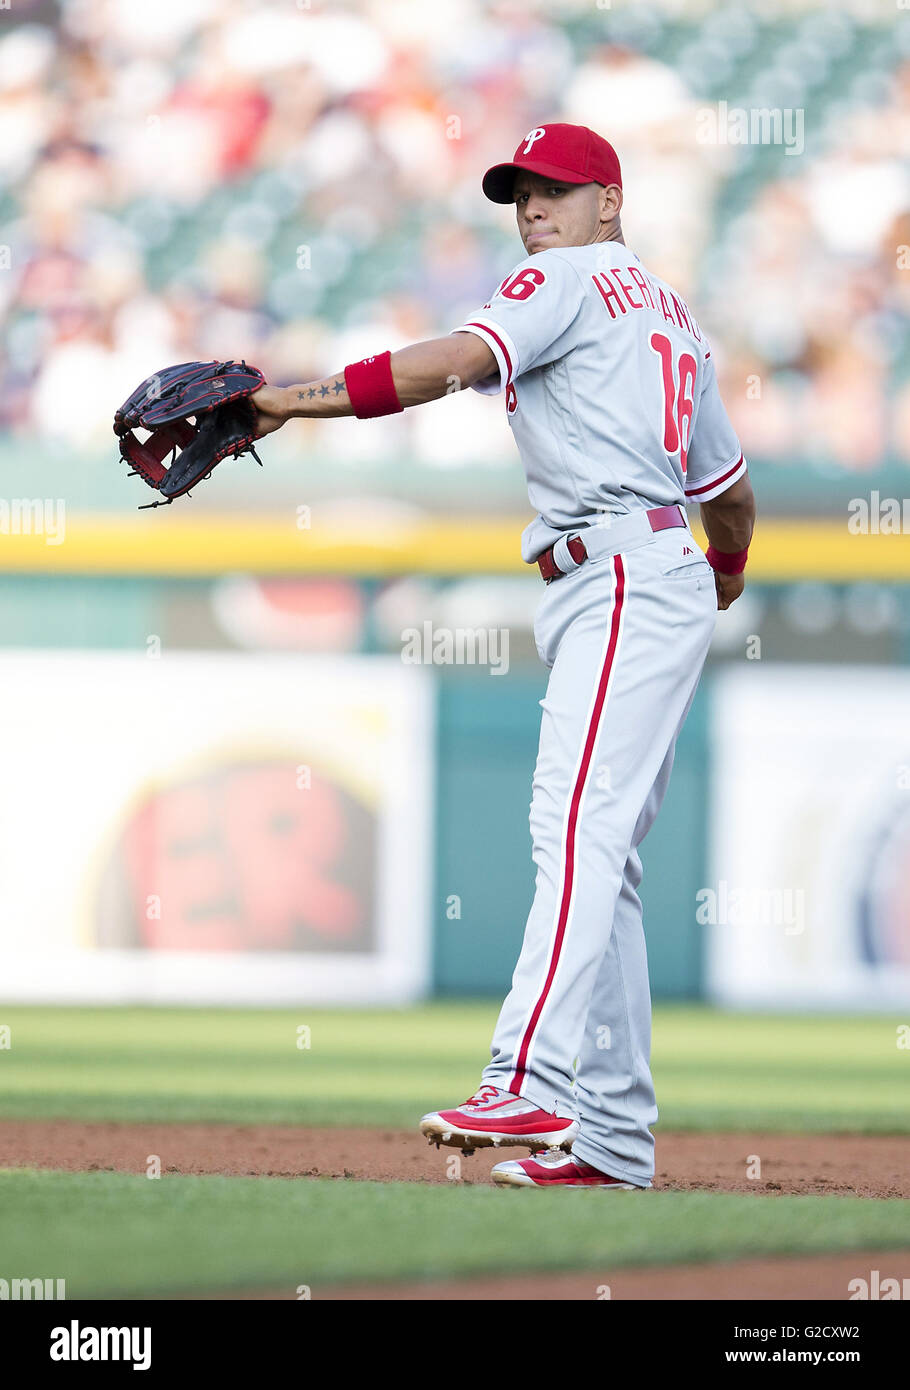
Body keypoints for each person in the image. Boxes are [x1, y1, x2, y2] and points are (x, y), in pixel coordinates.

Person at [252, 123, 756, 1190]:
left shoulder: (565, 279)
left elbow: (451, 364)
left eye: (557, 192)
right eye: (521, 193)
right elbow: (729, 487)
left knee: (570, 822)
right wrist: (726, 568)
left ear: (607, 204)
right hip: (648, 569)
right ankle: (613, 1143)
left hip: (618, 570)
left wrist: (286, 400)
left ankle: (527, 1073)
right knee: (601, 846)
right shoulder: (676, 317)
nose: (534, 210)